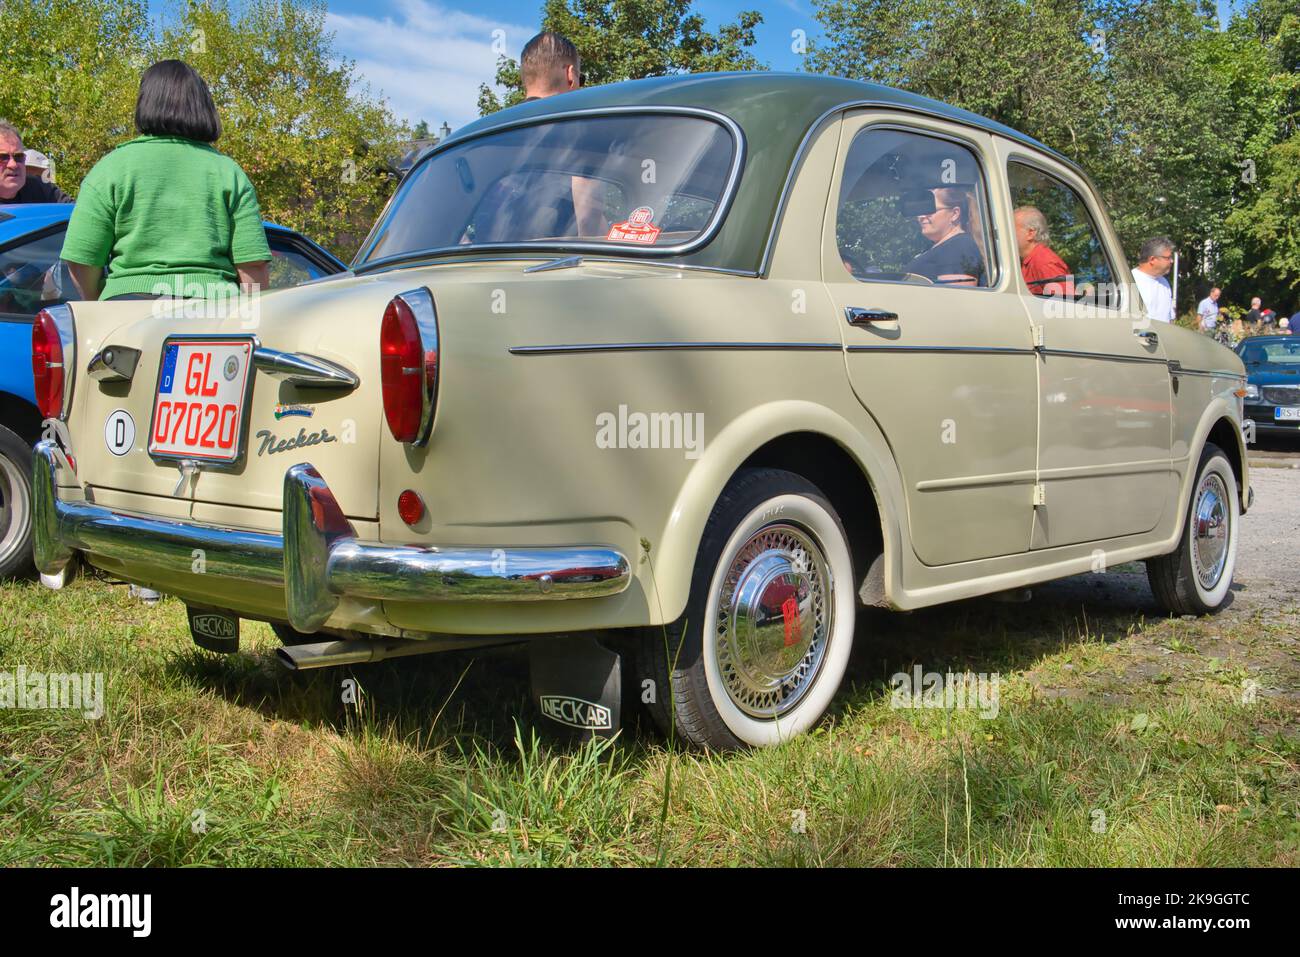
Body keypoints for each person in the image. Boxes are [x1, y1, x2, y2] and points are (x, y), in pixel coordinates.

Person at [60, 60, 270, 302]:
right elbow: (252, 266)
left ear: (144, 103)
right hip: (213, 310)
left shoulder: (109, 169)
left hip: (126, 313)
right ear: (202, 105)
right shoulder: (228, 172)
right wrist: (250, 315)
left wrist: (102, 302)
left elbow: (82, 258)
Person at [515, 32, 604, 238]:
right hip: (555, 264)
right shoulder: (580, 129)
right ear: (570, 75)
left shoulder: (491, 134)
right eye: (581, 78)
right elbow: (588, 219)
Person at [905, 187, 986, 285]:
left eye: (930, 210)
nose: (921, 216)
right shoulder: (944, 247)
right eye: (921, 210)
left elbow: (957, 297)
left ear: (955, 214)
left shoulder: (958, 247)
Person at [0, 121, 72, 203]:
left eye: (18, 156)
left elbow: (77, 211)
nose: (13, 164)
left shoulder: (38, 187)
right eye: (2, 157)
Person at [1014, 205, 1073, 297]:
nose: (1008, 234)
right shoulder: (1029, 261)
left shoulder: (1044, 262)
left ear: (1030, 233)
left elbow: (1065, 306)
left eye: (1012, 228)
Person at [1131, 236, 1175, 324]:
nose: (1172, 261)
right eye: (1168, 258)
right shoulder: (1131, 280)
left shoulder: (1164, 283)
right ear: (1152, 260)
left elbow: (1169, 319)